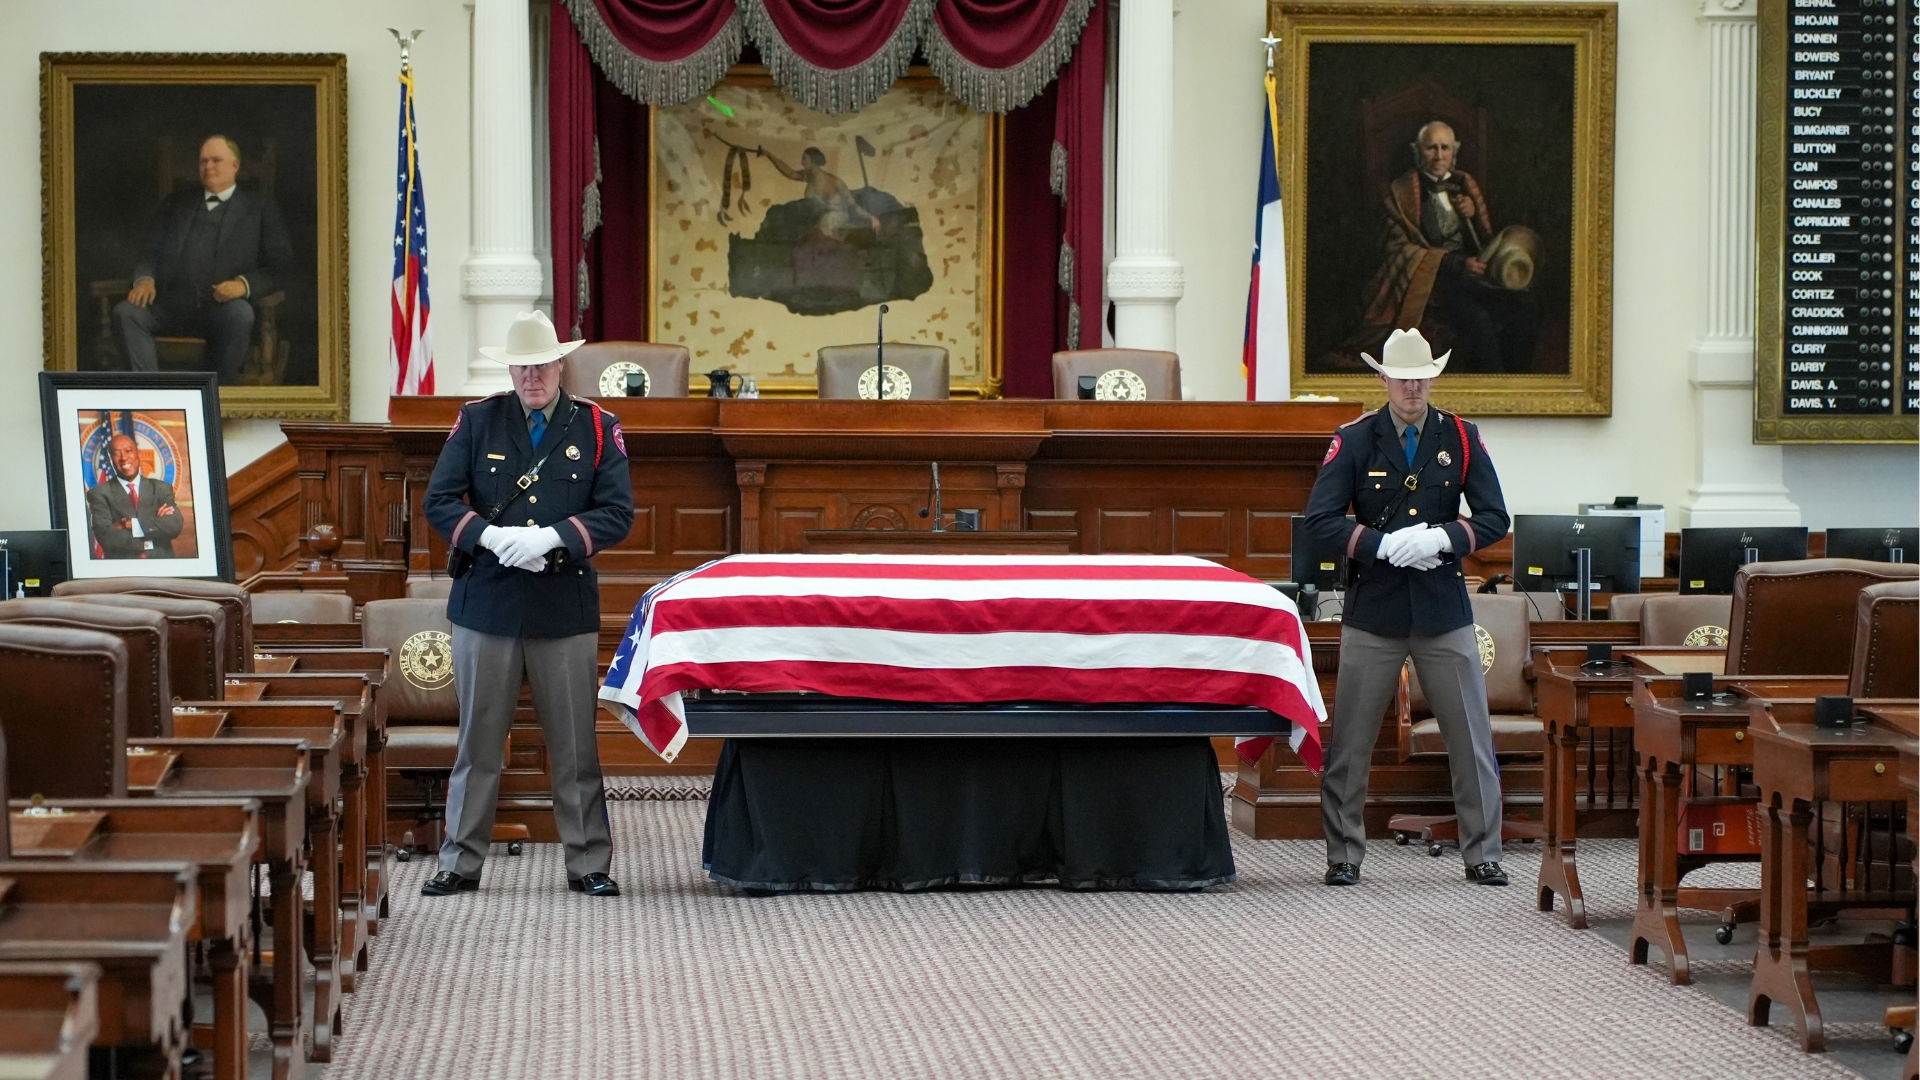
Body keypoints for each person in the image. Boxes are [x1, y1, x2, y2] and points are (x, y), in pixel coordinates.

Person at [421, 310, 635, 898]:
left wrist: (555, 537)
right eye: (521, 366)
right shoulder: (477, 420)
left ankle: (589, 862)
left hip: (561, 605)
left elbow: (617, 513)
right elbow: (438, 500)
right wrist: (486, 536)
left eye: (540, 365)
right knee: (478, 743)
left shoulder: (596, 427)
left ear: (560, 364)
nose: (530, 377)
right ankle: (459, 862)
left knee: (574, 745)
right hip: (487, 601)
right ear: (509, 368)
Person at [1302, 328, 1512, 887]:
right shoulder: (1355, 439)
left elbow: (1495, 518)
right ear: (1384, 379)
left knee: (1470, 736)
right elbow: (1320, 520)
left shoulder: (1461, 438)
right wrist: (1380, 544)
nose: (1414, 385)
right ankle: (1344, 853)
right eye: (1403, 376)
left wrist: (1444, 538)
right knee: (1351, 740)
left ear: (1433, 378)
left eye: (1422, 375)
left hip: (1444, 607)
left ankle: (1482, 852)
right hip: (1375, 608)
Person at [1355, 121, 1537, 373]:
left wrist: (1472, 215)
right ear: (1418, 152)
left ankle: (1520, 389)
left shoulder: (1466, 185)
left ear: (1454, 152)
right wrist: (1455, 263)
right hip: (1434, 283)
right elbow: (1398, 250)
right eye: (1431, 148)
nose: (1439, 155)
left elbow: (1486, 238)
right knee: (1478, 319)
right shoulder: (1401, 194)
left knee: (1524, 306)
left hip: (1477, 276)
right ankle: (1494, 387)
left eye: (1445, 148)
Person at [113, 134, 295, 384]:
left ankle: (216, 395)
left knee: (241, 314)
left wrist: (243, 285)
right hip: (170, 305)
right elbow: (149, 251)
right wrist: (145, 280)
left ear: (235, 165)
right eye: (203, 161)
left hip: (220, 310)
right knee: (126, 313)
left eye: (216, 160)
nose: (208, 167)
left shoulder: (260, 207)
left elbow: (281, 266)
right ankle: (150, 395)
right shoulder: (177, 203)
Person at [84, 432, 183, 559]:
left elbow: (174, 525)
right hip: (123, 572)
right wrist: (151, 540)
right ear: (109, 460)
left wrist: (133, 525)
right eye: (116, 453)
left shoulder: (161, 489)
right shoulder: (99, 494)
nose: (123, 458)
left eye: (128, 451)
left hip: (162, 568)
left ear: (139, 454)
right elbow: (106, 536)